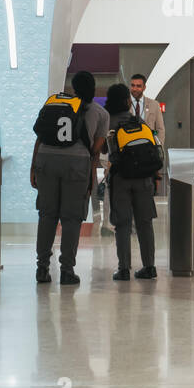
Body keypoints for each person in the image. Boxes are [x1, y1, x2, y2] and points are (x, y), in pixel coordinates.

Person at [31, 70, 109, 285]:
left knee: (47, 215)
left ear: (73, 89)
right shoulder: (101, 113)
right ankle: (67, 270)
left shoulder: (54, 106)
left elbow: (40, 138)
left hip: (45, 160)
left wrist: (33, 168)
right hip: (76, 164)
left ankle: (42, 268)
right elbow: (96, 148)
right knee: (71, 218)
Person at [103, 83, 158, 281]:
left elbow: (102, 150)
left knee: (123, 224)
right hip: (144, 178)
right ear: (127, 101)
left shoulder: (107, 120)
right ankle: (149, 267)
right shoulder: (139, 120)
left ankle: (124, 268)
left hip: (121, 179)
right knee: (145, 223)